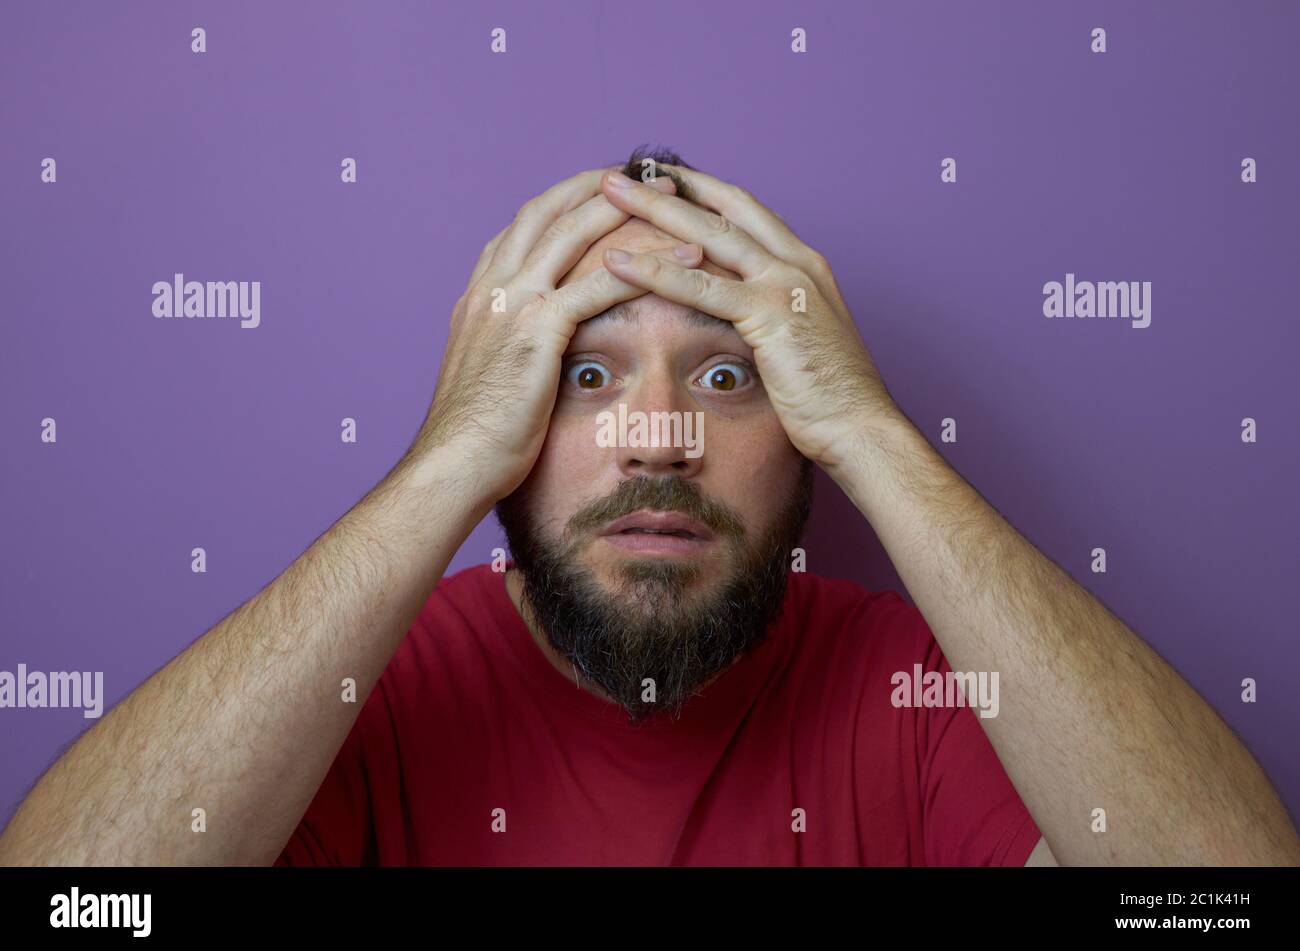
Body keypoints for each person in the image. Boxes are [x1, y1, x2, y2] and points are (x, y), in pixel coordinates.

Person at [2, 148, 1296, 866]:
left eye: (730, 375)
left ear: (800, 426)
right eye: (584, 374)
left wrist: (877, 435)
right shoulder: (365, 695)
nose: (660, 437)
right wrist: (440, 465)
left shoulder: (917, 691)